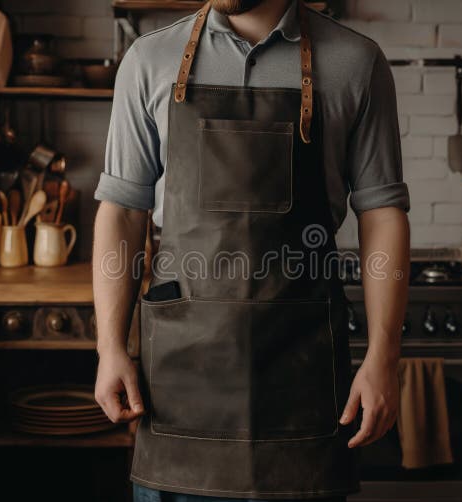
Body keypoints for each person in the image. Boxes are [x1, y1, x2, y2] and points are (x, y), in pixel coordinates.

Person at [92, 0, 410, 500]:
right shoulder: (148, 60)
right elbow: (122, 211)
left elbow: (383, 213)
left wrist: (383, 355)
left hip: (302, 375)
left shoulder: (356, 62)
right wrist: (109, 347)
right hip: (180, 382)